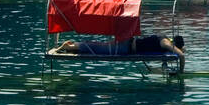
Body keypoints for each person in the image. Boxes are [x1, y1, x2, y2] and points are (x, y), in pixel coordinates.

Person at [53, 35, 184, 61]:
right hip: (124, 48)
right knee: (99, 48)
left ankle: (72, 46)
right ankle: (71, 46)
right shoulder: (165, 43)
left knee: (100, 46)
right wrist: (181, 72)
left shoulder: (163, 38)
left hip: (127, 43)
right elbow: (181, 55)